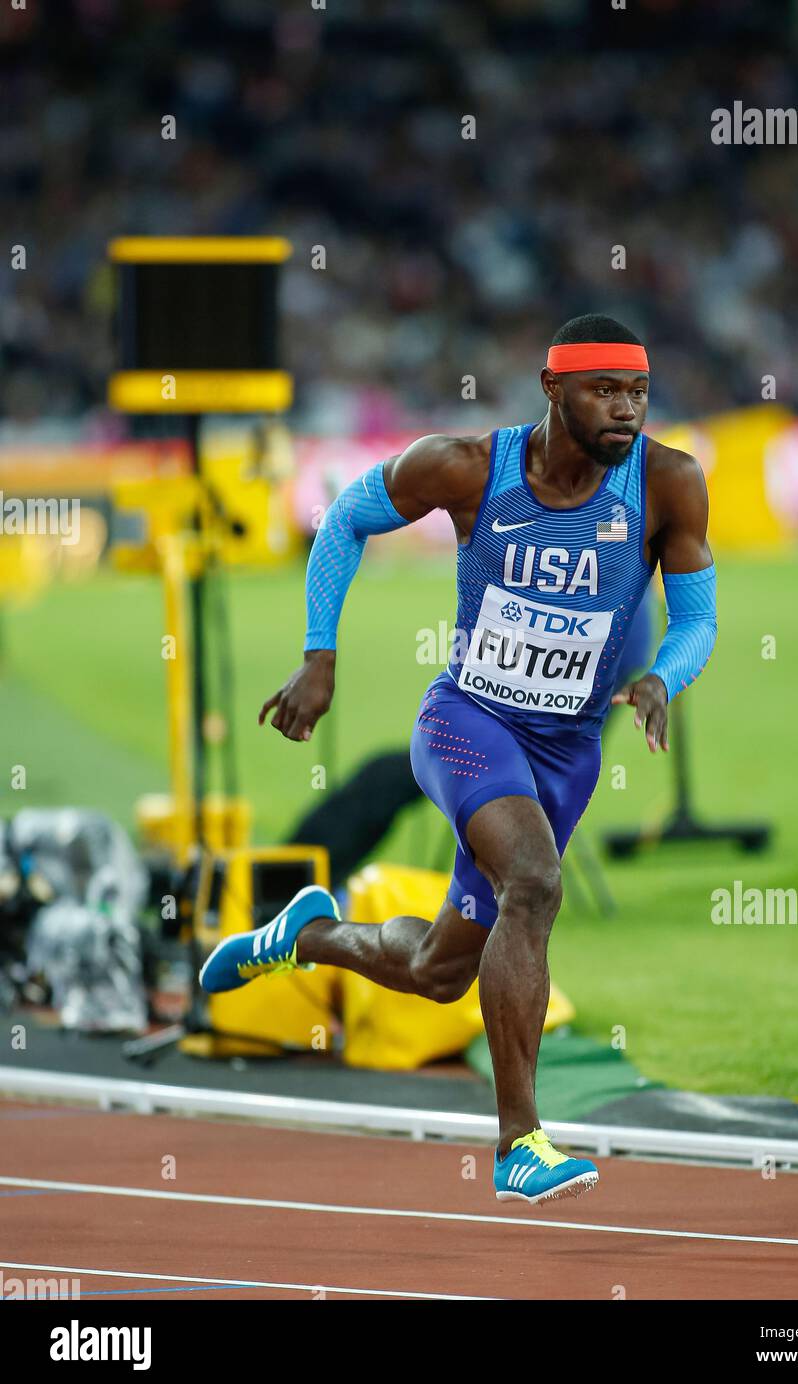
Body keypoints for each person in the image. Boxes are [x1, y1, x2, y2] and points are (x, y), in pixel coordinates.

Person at [200, 314, 717, 1204]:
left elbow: (698, 617)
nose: (626, 409)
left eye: (637, 391)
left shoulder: (668, 483)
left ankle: (305, 933)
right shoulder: (468, 468)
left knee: (441, 971)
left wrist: (663, 676)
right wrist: (319, 656)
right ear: (552, 390)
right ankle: (520, 1141)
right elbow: (344, 521)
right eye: (604, 390)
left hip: (564, 753)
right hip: (465, 722)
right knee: (537, 882)